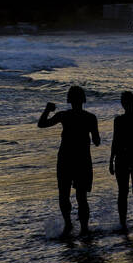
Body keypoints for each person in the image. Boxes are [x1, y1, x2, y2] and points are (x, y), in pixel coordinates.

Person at [38, 86, 100, 234]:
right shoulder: (90, 117)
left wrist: (47, 110)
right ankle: (84, 228)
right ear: (83, 100)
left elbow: (42, 124)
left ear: (69, 100)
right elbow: (97, 141)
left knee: (64, 194)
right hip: (83, 159)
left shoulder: (63, 116)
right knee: (81, 197)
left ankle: (68, 224)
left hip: (65, 158)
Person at [109, 89, 133, 230]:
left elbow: (116, 142)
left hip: (125, 158)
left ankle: (125, 224)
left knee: (125, 192)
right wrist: (111, 160)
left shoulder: (120, 120)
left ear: (124, 104)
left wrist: (111, 160)